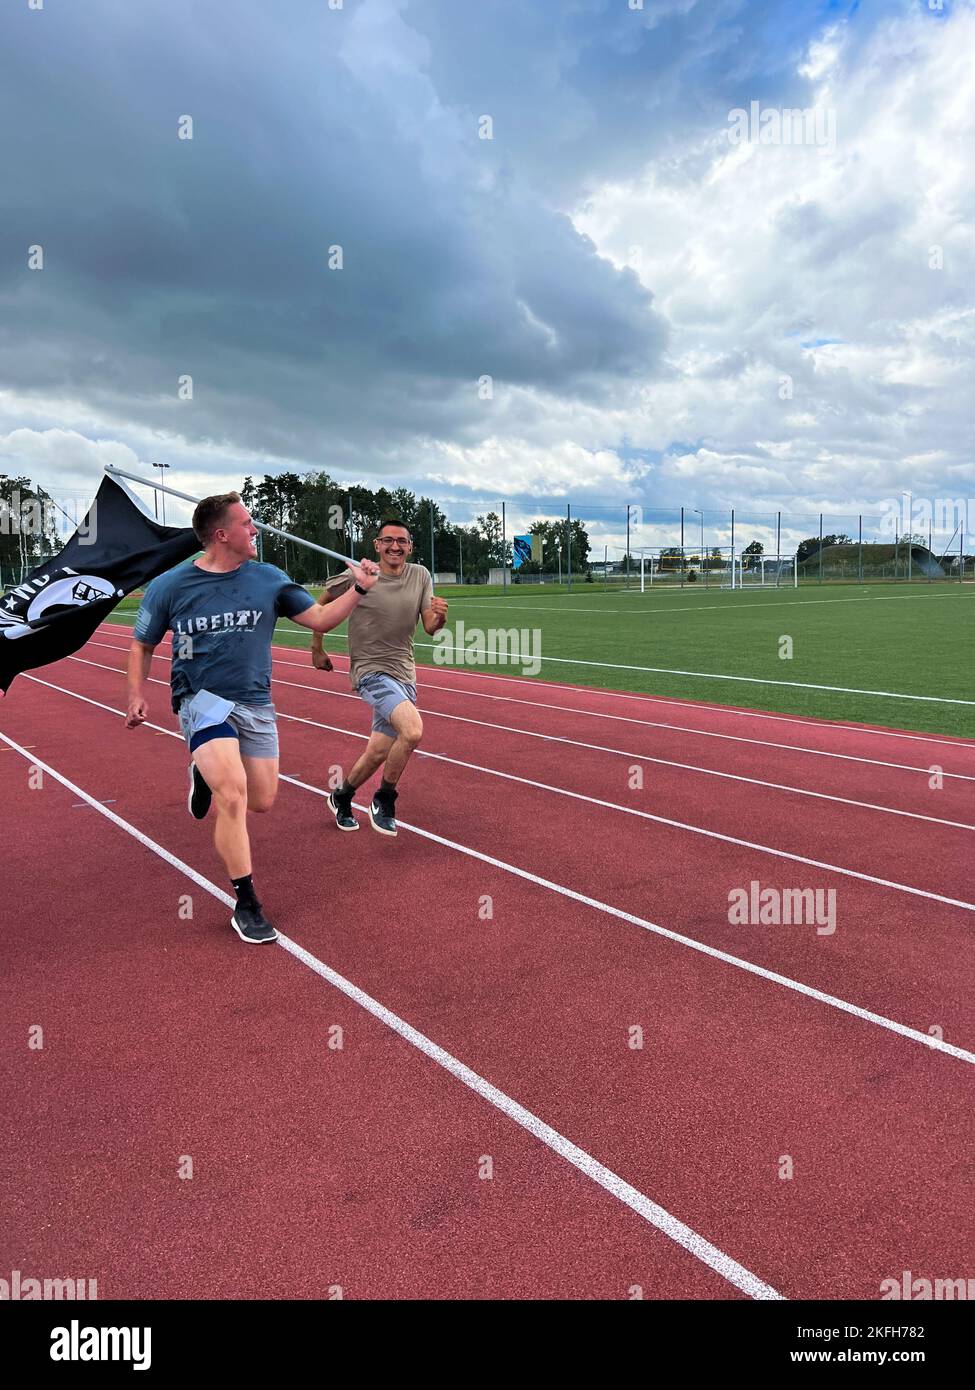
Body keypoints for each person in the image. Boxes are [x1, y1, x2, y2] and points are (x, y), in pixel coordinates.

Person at [125, 491, 378, 943]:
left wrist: (359, 588)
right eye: (247, 523)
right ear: (222, 534)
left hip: (255, 701)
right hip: (200, 698)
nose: (256, 529)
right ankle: (246, 902)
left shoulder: (269, 579)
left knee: (262, 799)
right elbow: (142, 645)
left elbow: (320, 619)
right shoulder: (171, 587)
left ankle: (201, 773)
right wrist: (135, 694)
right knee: (234, 795)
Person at [311, 518, 448, 836]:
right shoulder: (361, 575)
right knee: (412, 732)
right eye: (388, 540)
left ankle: (341, 796)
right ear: (376, 545)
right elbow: (322, 603)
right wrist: (316, 647)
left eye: (402, 541)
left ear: (410, 547)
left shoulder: (421, 575)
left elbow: (429, 627)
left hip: (404, 673)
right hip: (370, 670)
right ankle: (385, 799)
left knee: (377, 751)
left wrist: (440, 617)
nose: (395, 546)